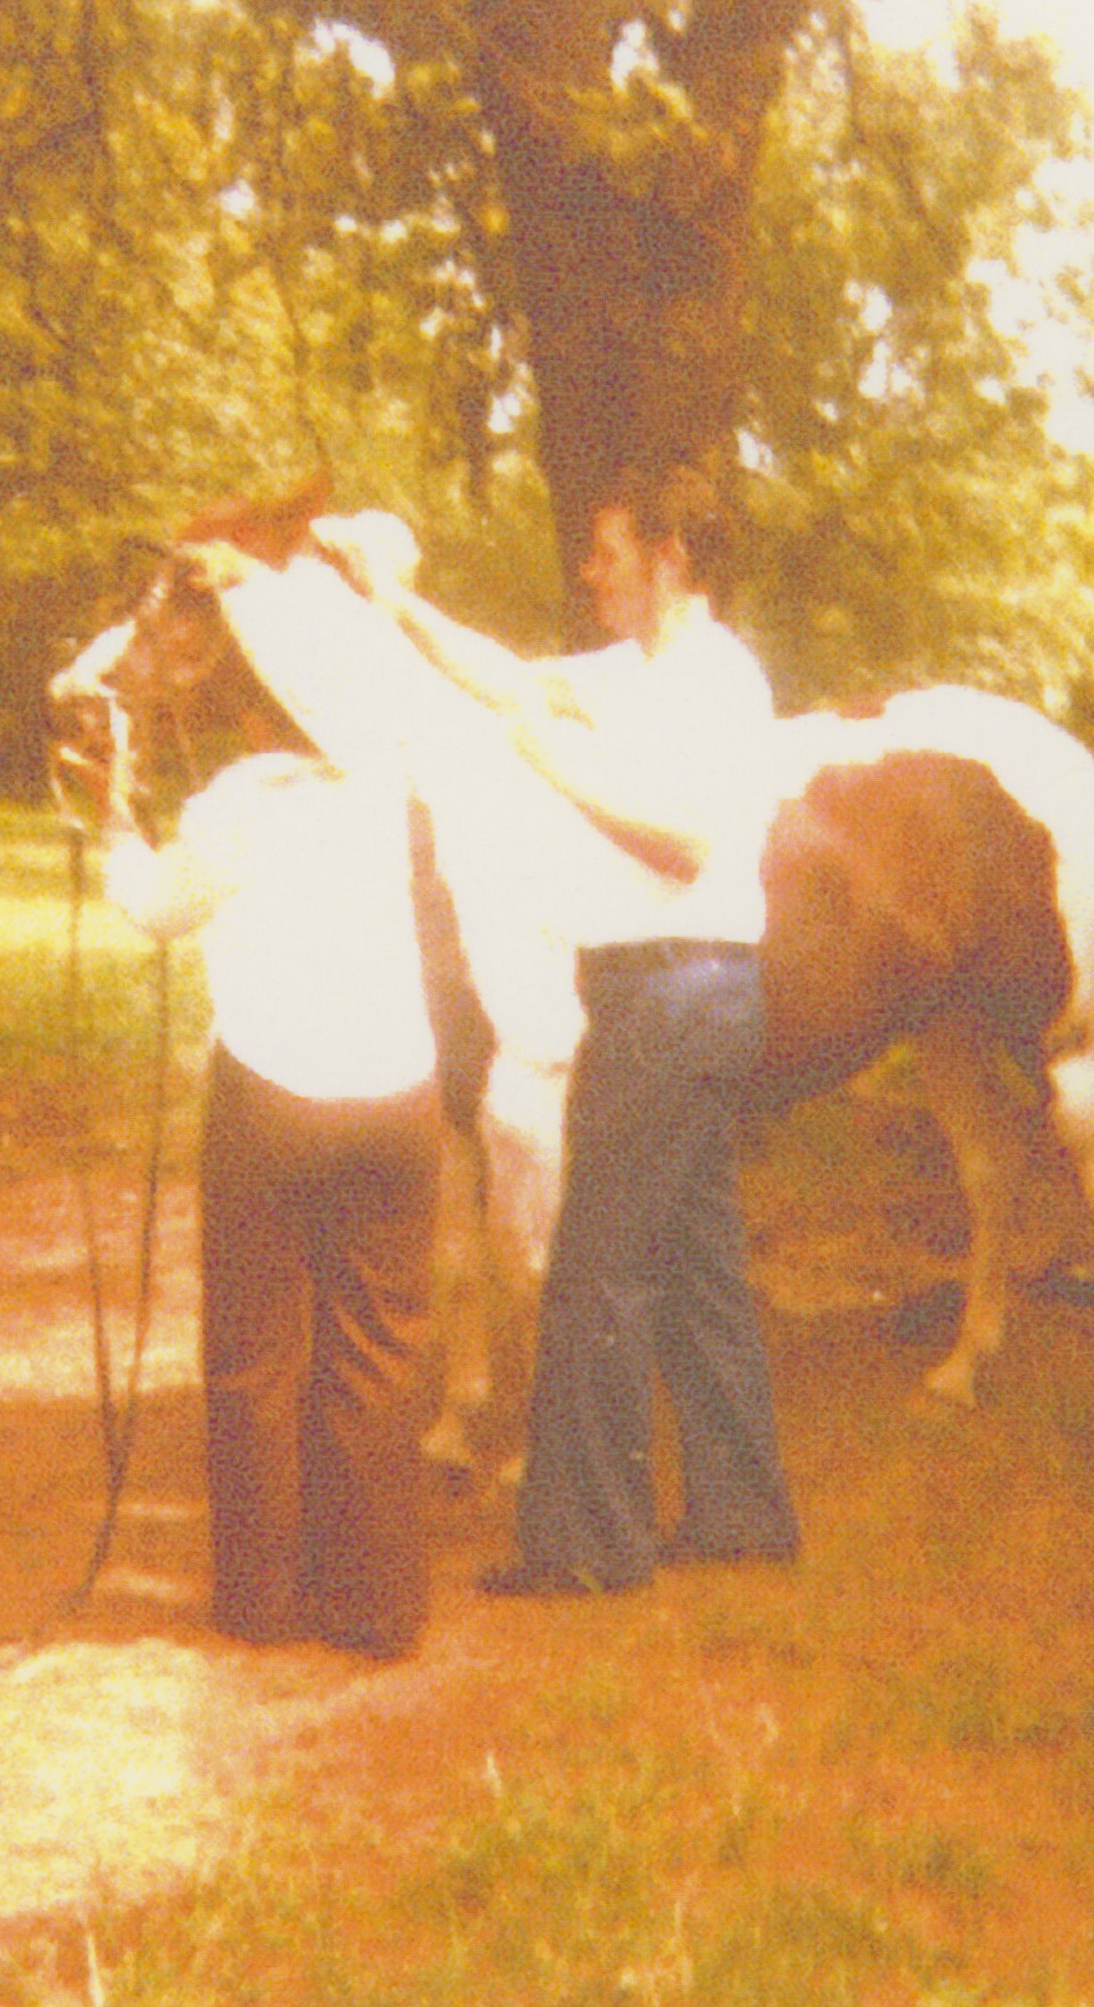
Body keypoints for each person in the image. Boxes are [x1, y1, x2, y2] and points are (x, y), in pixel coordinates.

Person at [341, 464, 800, 1596]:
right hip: (656, 991)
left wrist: (554, 768)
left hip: (682, 988)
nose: (588, 571)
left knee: (597, 1267)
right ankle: (742, 1515)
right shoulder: (629, 673)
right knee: (698, 1271)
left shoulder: (717, 683)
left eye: (608, 550)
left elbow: (688, 843)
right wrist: (394, 604)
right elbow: (502, 680)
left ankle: (588, 1546)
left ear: (671, 558)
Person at [99, 691, 442, 1659]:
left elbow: (157, 910)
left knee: (254, 1354)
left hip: (275, 1094)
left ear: (253, 708)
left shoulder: (234, 800)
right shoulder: (386, 774)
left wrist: (115, 817)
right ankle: (376, 1602)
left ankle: (259, 1599)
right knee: (377, 1348)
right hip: (397, 1093)